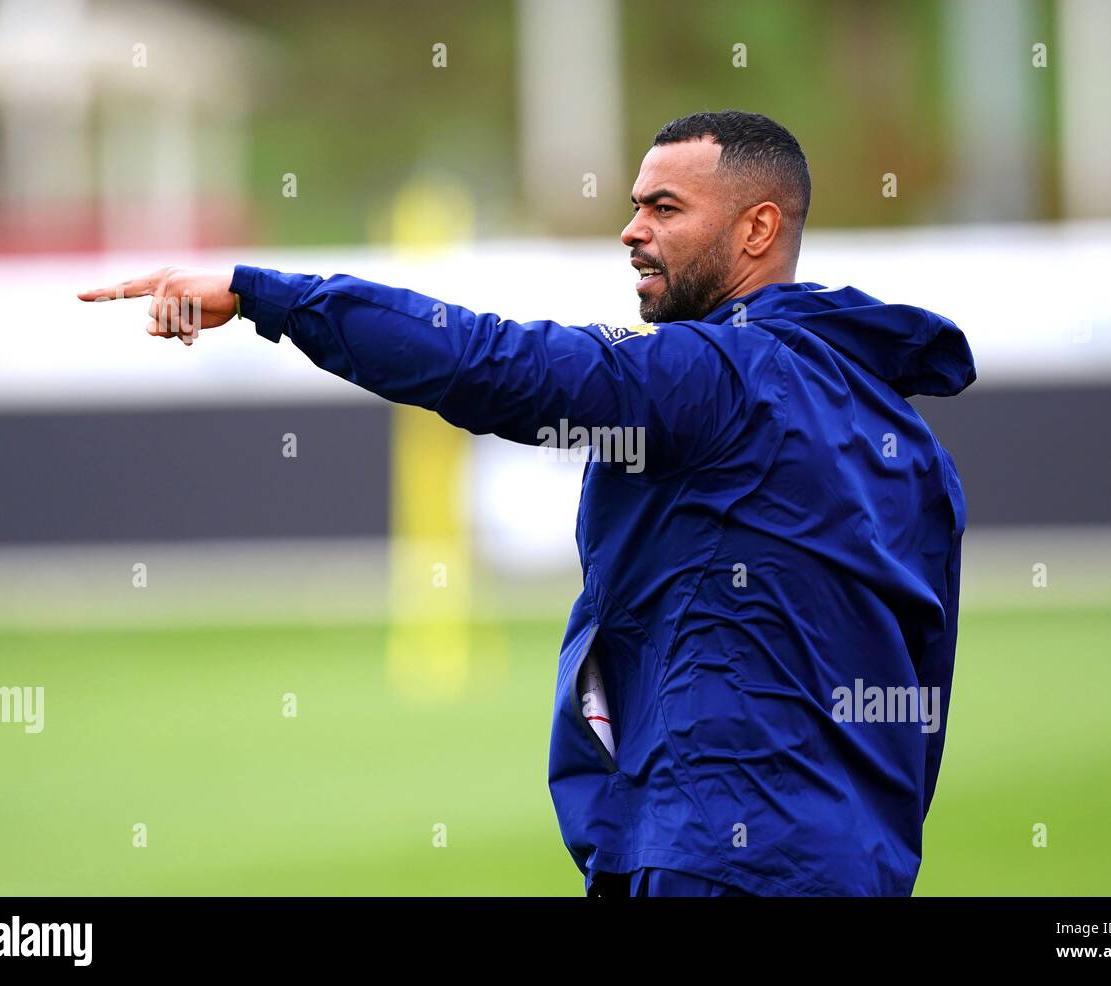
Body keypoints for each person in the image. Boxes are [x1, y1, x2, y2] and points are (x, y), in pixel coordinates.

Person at [78, 110, 975, 897]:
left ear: (757, 229)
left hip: (714, 852)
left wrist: (266, 296)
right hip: (855, 865)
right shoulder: (912, 449)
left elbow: (495, 365)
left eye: (665, 208)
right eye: (633, 204)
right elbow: (920, 695)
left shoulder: (718, 375)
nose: (631, 230)